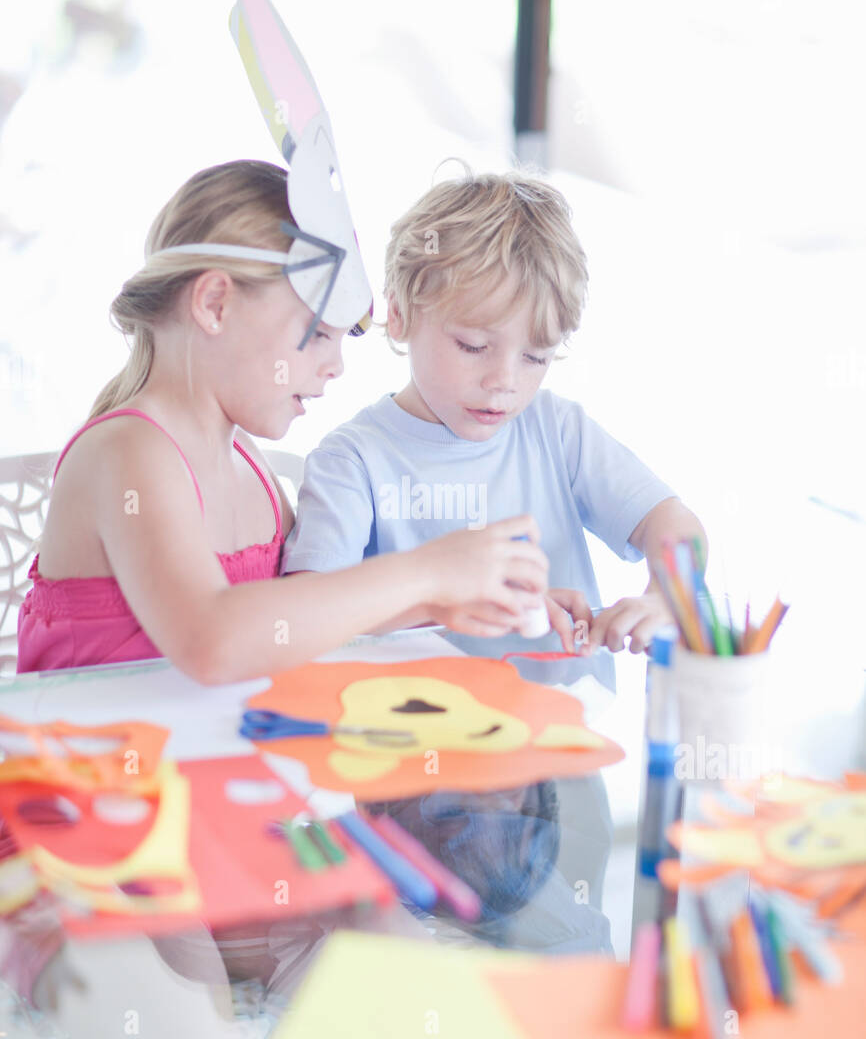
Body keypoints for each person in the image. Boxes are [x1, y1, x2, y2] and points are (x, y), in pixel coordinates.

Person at [16, 160, 549, 680]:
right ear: (216, 303)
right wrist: (426, 571)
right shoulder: (129, 452)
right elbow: (212, 641)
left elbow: (295, 623)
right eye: (318, 334)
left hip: (209, 761)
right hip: (99, 765)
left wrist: (449, 598)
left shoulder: (250, 463)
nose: (335, 366)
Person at [282, 169, 707, 688]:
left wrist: (668, 596)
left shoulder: (555, 430)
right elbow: (304, 617)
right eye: (473, 346)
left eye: (535, 356)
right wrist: (440, 598)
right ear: (397, 314)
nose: (504, 381)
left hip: (567, 735)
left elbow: (674, 524)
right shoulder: (353, 460)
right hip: (410, 740)